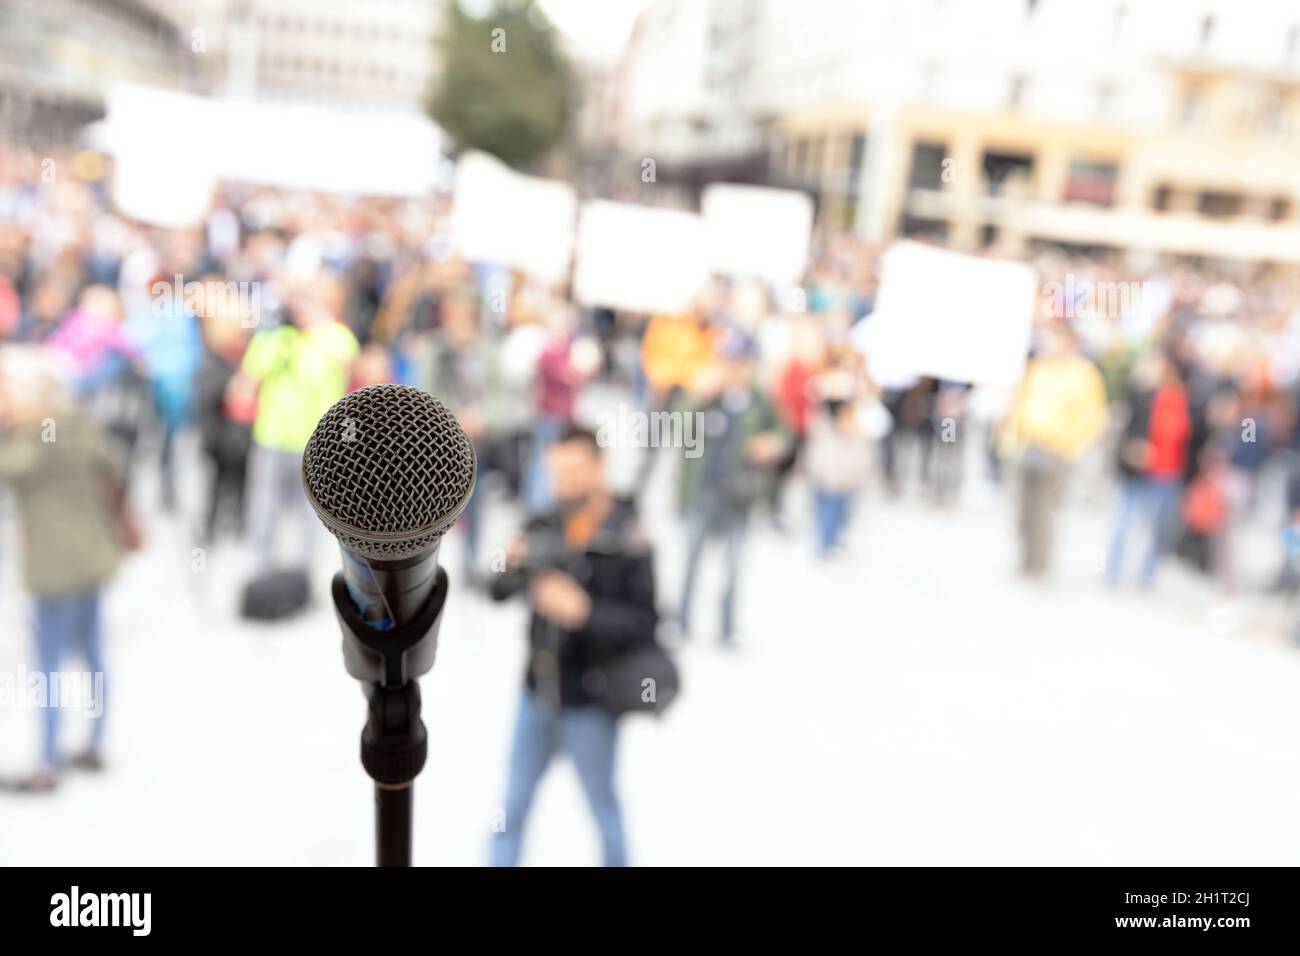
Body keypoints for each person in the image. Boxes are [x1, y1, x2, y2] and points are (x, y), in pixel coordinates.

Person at [489, 427, 658, 867]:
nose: (564, 482)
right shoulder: (542, 522)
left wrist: (583, 613)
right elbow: (494, 589)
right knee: (510, 807)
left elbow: (645, 624)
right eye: (556, 472)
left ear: (599, 468)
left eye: (574, 471)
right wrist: (506, 565)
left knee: (604, 809)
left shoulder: (630, 536)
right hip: (536, 694)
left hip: (592, 701)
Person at [0, 348, 129, 791]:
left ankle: (46, 762)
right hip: (92, 557)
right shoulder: (79, 423)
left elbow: (11, 469)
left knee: (48, 665)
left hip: (54, 568)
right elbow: (116, 465)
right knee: (91, 654)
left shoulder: (37, 435)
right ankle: (93, 743)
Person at [233, 273, 358, 577]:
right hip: (272, 437)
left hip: (314, 443)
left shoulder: (336, 337)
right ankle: (259, 568)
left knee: (310, 514)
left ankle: (303, 573)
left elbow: (350, 367)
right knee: (264, 508)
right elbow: (244, 384)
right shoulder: (272, 339)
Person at [675, 335, 789, 644]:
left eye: (741, 364)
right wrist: (697, 398)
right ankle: (680, 620)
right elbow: (678, 429)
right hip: (704, 490)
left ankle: (726, 628)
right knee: (690, 560)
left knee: (734, 567)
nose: (735, 370)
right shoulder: (705, 394)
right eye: (729, 362)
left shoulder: (759, 399)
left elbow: (784, 431)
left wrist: (773, 442)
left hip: (741, 494)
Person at [1000, 325, 1108, 577]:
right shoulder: (1038, 367)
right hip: (1028, 442)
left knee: (1044, 508)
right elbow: (1021, 401)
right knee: (1023, 505)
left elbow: (1092, 418)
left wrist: (1068, 444)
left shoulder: (1084, 375)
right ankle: (1024, 557)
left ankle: (1040, 562)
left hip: (1056, 449)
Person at [1105, 352, 1192, 587]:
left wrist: (1248, 436)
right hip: (1139, 471)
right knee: (1124, 521)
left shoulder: (1189, 403)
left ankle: (1147, 574)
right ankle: (1113, 570)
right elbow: (1128, 429)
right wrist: (1132, 449)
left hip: (1169, 474)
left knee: (1158, 528)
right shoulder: (1143, 395)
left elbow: (1199, 437)